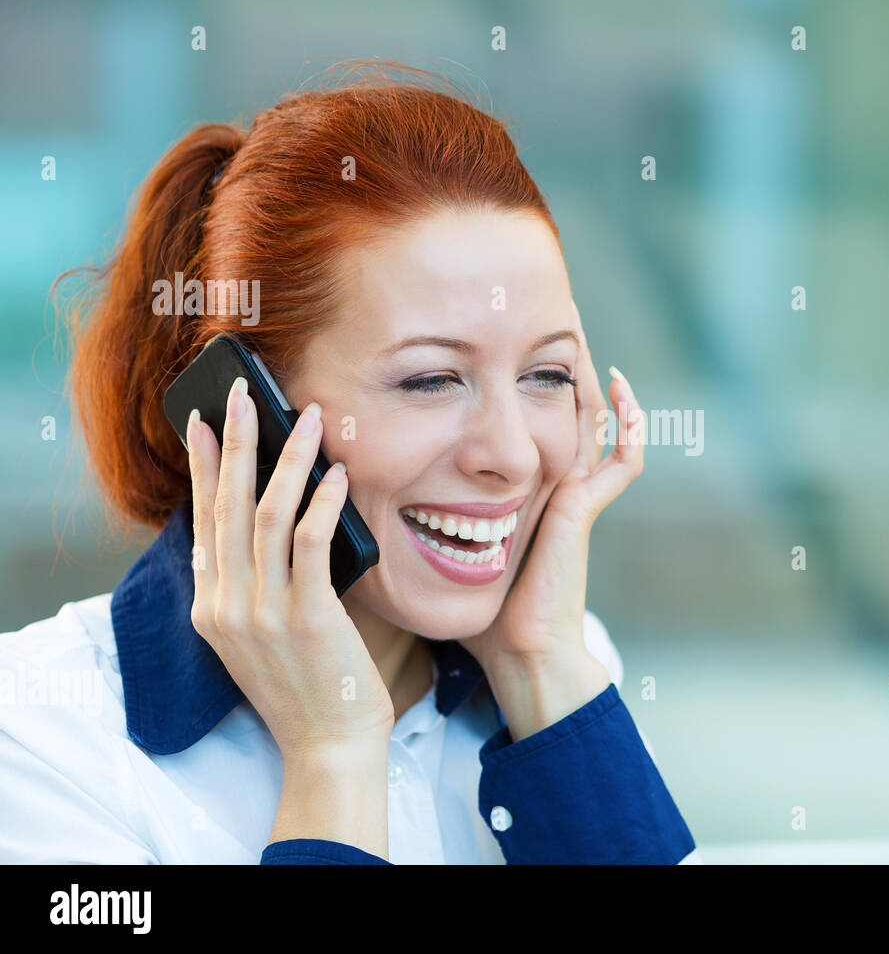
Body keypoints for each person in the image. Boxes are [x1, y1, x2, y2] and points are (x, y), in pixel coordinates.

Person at [0, 67, 697, 864]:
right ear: (248, 414)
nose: (510, 455)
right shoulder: (41, 737)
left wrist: (544, 671)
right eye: (432, 380)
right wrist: (333, 755)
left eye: (546, 375)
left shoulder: (563, 666)